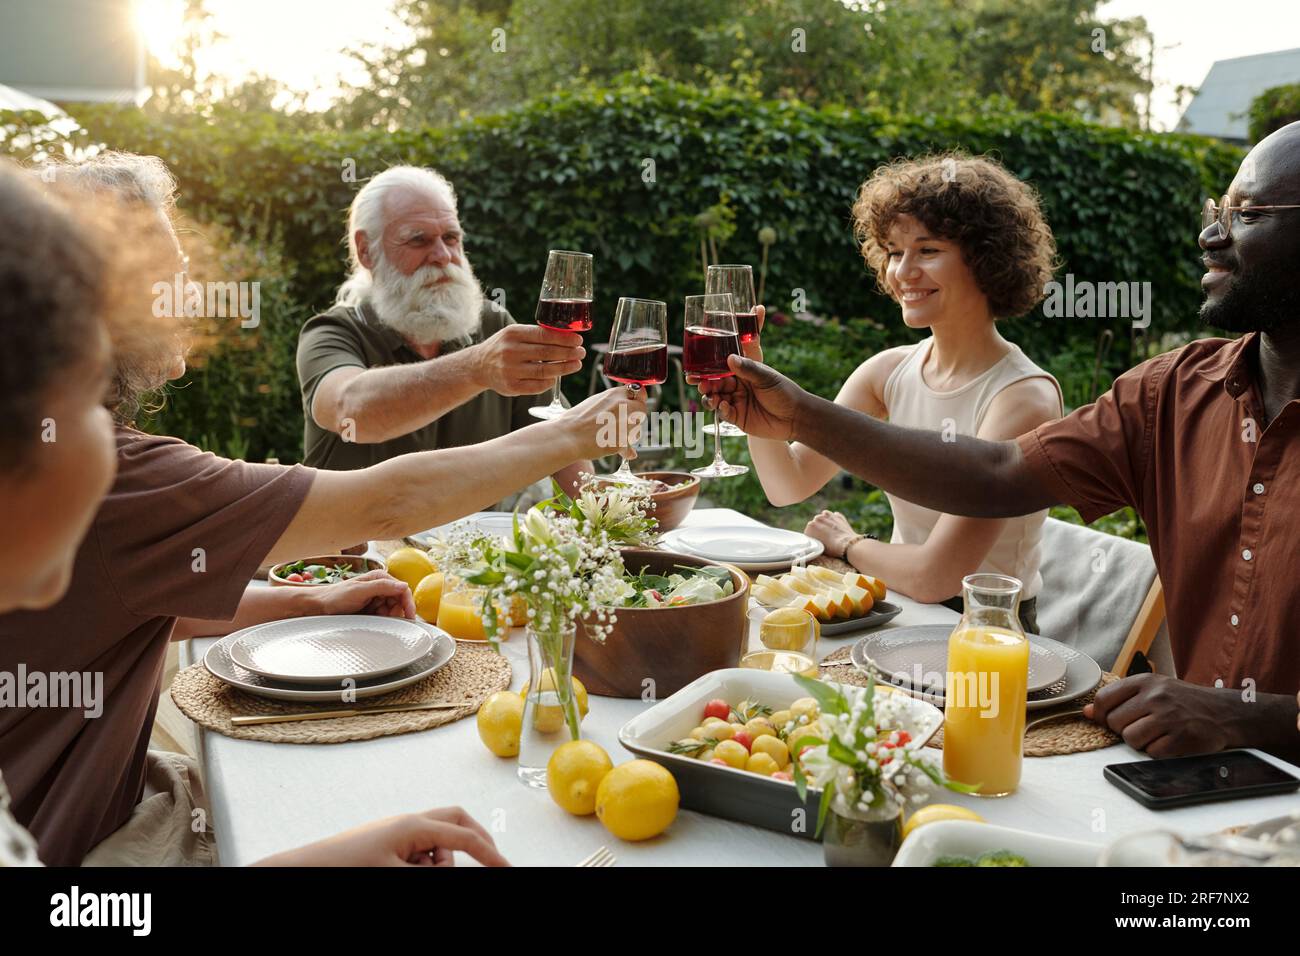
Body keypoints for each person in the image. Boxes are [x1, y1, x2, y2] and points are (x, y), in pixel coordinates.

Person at [0, 154, 642, 865]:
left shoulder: (47, 483)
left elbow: (121, 600)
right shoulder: (119, 478)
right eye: (166, 269)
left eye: (451, 237)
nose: (193, 289)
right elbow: (381, 495)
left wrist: (313, 599)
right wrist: (571, 432)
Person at [698, 123, 1300, 762]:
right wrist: (795, 417)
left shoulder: (1025, 389)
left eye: (1250, 214)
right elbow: (996, 475)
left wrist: (1250, 717)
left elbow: (941, 567)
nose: (1211, 235)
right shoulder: (1174, 392)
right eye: (1219, 212)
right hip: (1200, 779)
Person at [746, 155, 1061, 631]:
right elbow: (787, 484)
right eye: (894, 252)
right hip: (905, 612)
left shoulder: (1021, 398)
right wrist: (756, 397)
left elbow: (938, 576)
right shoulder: (888, 372)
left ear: (986, 260)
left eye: (928, 250)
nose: (903, 272)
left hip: (986, 633)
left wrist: (850, 544)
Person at [298, 165, 591, 499]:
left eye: (451, 238)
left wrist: (601, 523)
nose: (442, 256)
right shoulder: (332, 332)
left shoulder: (493, 325)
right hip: (355, 550)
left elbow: (563, 446)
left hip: (472, 551)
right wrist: (476, 367)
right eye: (418, 240)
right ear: (366, 250)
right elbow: (350, 409)